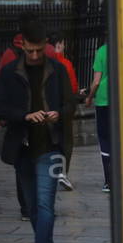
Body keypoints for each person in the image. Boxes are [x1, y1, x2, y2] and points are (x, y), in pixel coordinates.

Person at [0, 19, 76, 243]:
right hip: (23, 148)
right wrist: (25, 115)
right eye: (30, 51)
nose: (35, 56)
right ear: (23, 45)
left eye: (39, 50)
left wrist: (56, 114)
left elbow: (70, 105)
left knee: (44, 203)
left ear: (45, 47)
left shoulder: (58, 71)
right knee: (32, 207)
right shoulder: (10, 73)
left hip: (50, 147)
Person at [50, 34, 79, 190]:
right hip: (64, 109)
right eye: (63, 43)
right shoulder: (65, 64)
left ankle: (53, 173)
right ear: (59, 44)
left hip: (49, 109)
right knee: (66, 143)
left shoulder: (45, 63)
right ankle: (62, 173)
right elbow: (73, 87)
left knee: (53, 142)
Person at [86, 36, 113, 192]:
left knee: (104, 138)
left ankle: (108, 180)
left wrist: (89, 96)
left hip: (103, 100)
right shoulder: (122, 51)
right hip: (119, 101)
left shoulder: (101, 52)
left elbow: (96, 81)